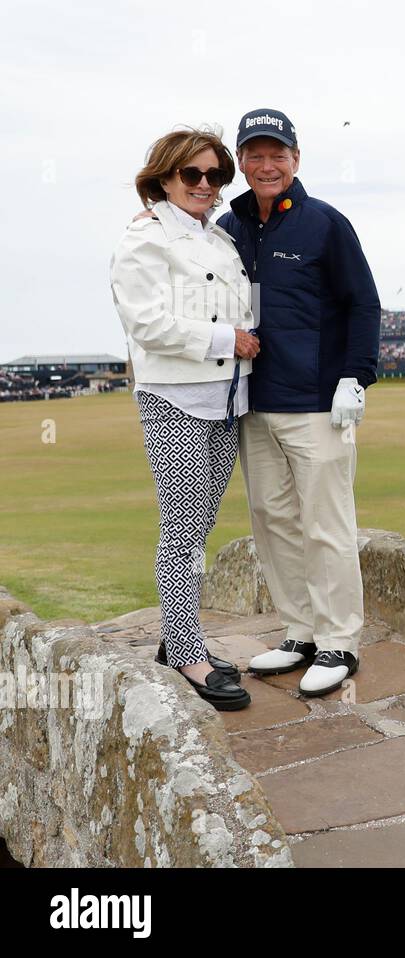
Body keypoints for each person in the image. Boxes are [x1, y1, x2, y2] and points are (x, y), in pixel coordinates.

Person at [221, 109, 381, 697]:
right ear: (242, 161)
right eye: (255, 155)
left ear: (296, 159)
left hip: (318, 402)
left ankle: (340, 641)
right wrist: (153, 216)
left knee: (327, 525)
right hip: (255, 403)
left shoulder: (325, 224)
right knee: (274, 523)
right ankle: (300, 631)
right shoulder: (228, 227)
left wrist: (355, 378)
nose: (267, 165)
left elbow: (364, 305)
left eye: (277, 154)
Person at [110, 126, 259, 711]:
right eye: (191, 174)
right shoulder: (145, 240)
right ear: (164, 178)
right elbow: (145, 325)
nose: (204, 184)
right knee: (182, 531)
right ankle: (187, 653)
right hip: (175, 397)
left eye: (215, 175)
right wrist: (229, 338)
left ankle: (181, 640)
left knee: (199, 529)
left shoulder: (219, 241)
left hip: (227, 397)